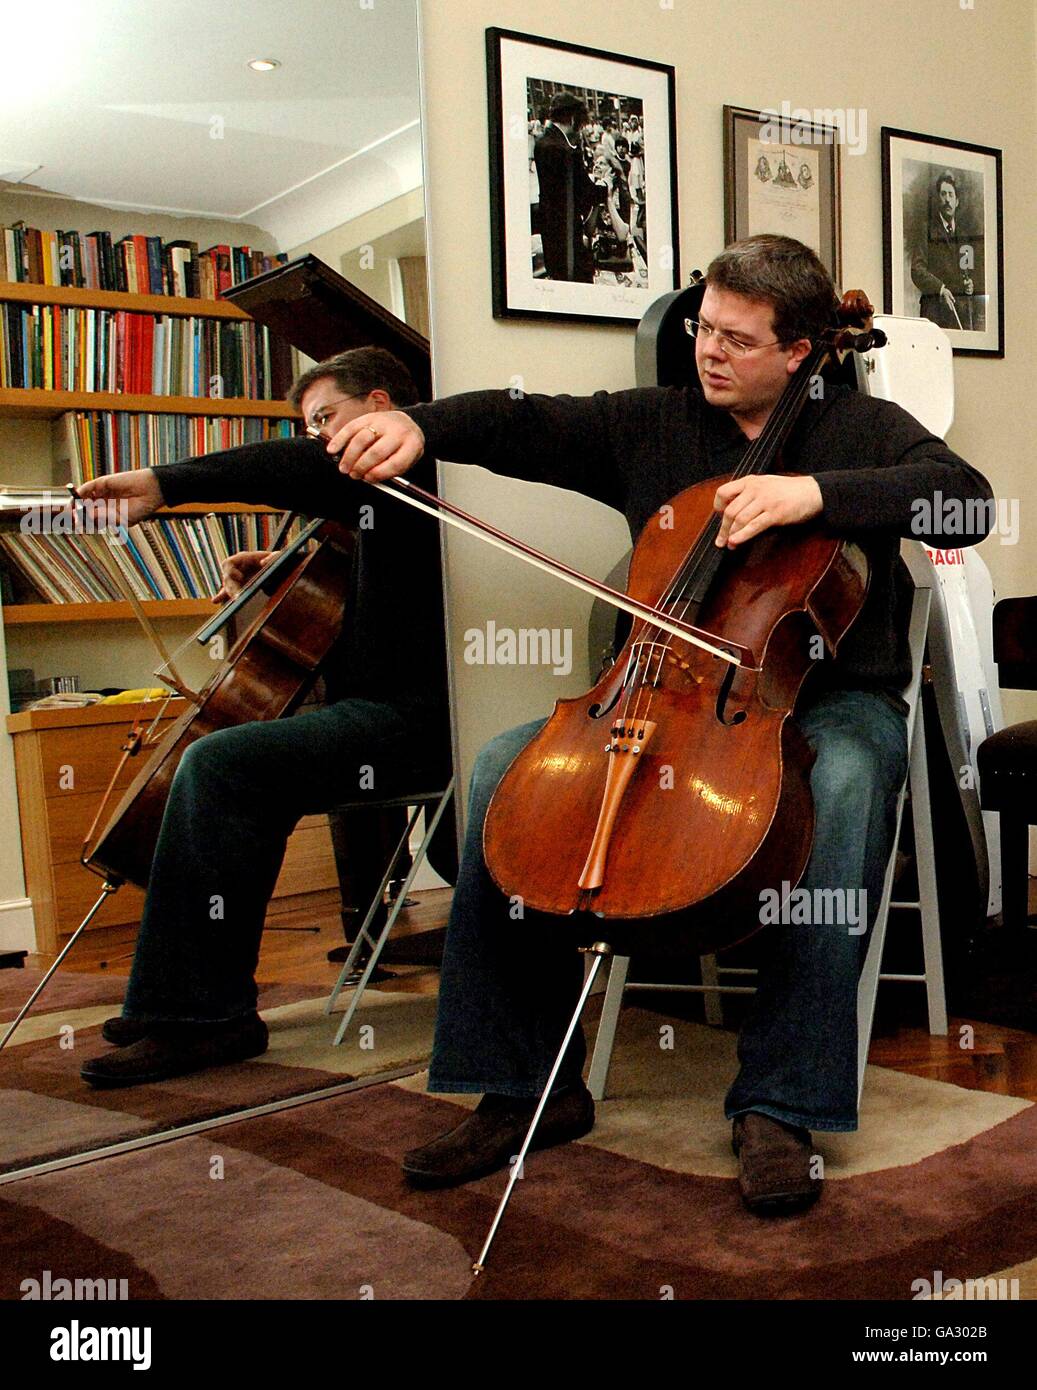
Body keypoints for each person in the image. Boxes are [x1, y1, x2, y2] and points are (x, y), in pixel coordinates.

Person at [325, 235, 993, 1215]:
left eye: (734, 337)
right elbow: (523, 423)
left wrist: (811, 494)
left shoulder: (862, 428)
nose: (705, 350)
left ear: (802, 349)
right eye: (699, 327)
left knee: (846, 787)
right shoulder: (654, 425)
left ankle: (778, 1102)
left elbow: (963, 501)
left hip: (827, 699)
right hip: (665, 696)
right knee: (504, 773)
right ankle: (521, 1089)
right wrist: (418, 428)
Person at [72, 347, 451, 1088]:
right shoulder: (366, 513)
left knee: (221, 763)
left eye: (323, 421)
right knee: (221, 761)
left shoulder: (412, 467)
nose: (314, 441)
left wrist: (164, 483)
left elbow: (297, 469)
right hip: (371, 714)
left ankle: (205, 1018)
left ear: (379, 407)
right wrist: (275, 582)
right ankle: (175, 1001)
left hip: (421, 725)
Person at [533, 92, 607, 283]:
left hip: (549, 229)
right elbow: (585, 192)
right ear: (573, 118)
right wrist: (604, 187)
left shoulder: (542, 143)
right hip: (567, 232)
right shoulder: (566, 150)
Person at [910, 169, 982, 331]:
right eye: (943, 194)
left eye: (950, 195)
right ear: (938, 199)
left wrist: (970, 283)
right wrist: (940, 289)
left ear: (957, 201)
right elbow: (917, 270)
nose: (947, 200)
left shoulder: (964, 237)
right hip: (934, 313)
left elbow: (967, 270)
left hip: (960, 314)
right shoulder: (926, 231)